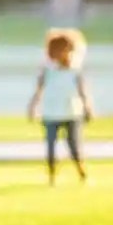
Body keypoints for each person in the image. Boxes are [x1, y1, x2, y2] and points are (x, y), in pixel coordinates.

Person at [27, 31, 92, 186]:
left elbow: (83, 91)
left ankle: (82, 172)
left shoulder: (75, 70)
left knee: (74, 146)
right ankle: (52, 176)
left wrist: (87, 107)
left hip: (71, 113)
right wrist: (33, 106)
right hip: (51, 113)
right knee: (50, 146)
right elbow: (39, 89)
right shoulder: (47, 70)